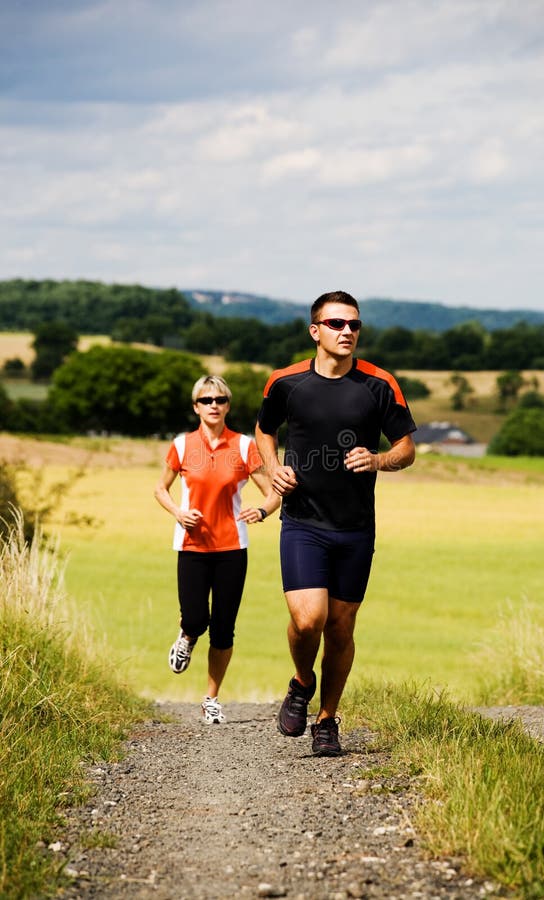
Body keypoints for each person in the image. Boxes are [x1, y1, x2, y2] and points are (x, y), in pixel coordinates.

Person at [255, 291, 416, 756]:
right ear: (315, 331)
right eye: (336, 324)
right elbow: (264, 430)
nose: (347, 332)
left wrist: (378, 459)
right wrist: (273, 468)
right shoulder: (285, 382)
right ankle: (302, 681)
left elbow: (406, 449)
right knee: (308, 620)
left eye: (354, 325)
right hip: (303, 521)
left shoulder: (379, 384)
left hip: (355, 527)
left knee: (341, 627)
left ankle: (327, 719)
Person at [155, 374, 280, 724]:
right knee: (196, 618)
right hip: (192, 545)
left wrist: (263, 511)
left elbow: (273, 492)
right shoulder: (181, 445)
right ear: (196, 406)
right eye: (206, 400)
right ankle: (187, 634)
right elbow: (160, 489)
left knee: (224, 628)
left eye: (220, 400)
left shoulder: (243, 446)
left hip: (232, 547)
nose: (214, 405)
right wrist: (178, 513)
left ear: (228, 406)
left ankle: (211, 698)